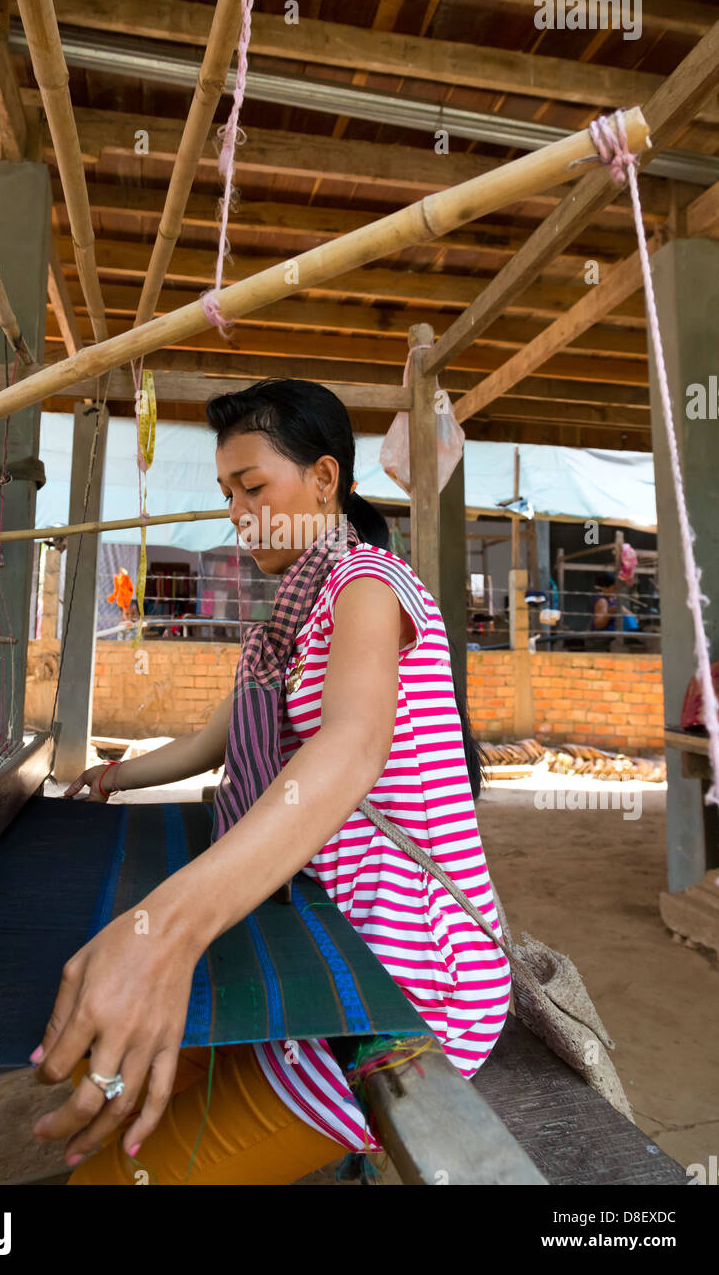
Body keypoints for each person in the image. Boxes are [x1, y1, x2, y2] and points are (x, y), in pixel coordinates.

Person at [34, 379, 511, 1185]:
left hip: (406, 974)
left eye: (253, 487)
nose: (237, 510)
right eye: (228, 493)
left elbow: (351, 750)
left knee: (115, 1177)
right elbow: (208, 744)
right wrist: (109, 778)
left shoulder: (366, 586)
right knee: (121, 1082)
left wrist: (168, 931)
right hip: (329, 931)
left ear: (324, 479)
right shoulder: (286, 626)